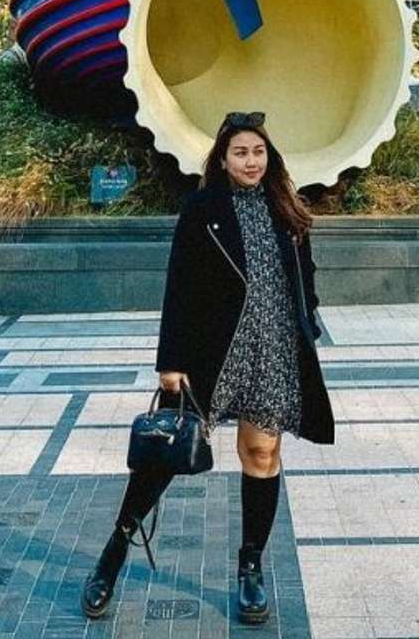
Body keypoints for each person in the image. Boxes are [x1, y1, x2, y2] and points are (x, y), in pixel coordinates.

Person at [81, 112, 333, 625]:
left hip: (274, 352)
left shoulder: (287, 208)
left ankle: (250, 570)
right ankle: (114, 552)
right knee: (163, 459)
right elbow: (180, 286)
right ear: (222, 158)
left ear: (270, 156)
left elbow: (304, 274)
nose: (251, 161)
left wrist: (307, 317)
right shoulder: (202, 209)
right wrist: (170, 359)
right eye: (240, 152)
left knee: (262, 453)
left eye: (258, 152)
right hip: (208, 355)